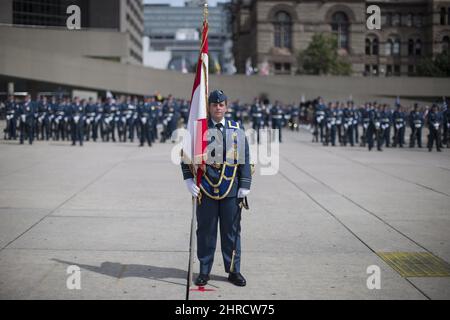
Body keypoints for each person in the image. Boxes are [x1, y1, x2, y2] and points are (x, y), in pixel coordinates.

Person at [181, 90, 252, 287]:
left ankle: (233, 271)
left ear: (226, 107)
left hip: (231, 189)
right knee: (206, 232)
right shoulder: (199, 129)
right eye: (214, 104)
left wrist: (245, 184)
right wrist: (188, 180)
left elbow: (245, 157)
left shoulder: (236, 128)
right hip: (206, 189)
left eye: (221, 105)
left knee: (231, 232)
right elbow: (185, 155)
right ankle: (204, 271)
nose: (218, 108)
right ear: (209, 107)